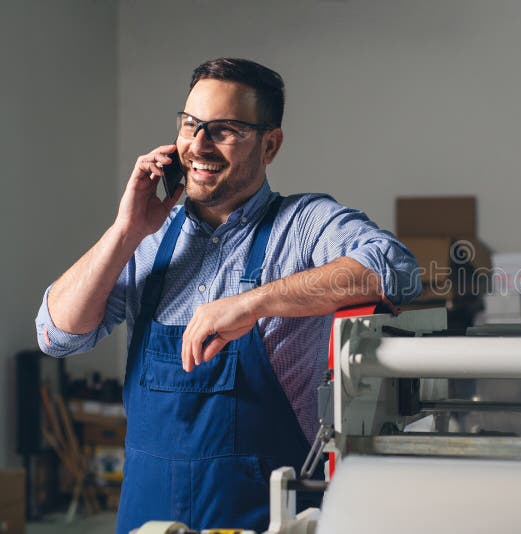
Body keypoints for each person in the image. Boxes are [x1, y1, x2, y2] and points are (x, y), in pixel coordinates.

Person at [35, 57, 420, 533]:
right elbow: (57, 335)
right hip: (148, 520)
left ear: (270, 144)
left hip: (266, 517)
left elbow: (395, 269)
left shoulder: (302, 226)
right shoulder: (148, 239)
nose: (199, 145)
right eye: (191, 125)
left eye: (224, 130)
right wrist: (125, 230)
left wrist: (253, 302)